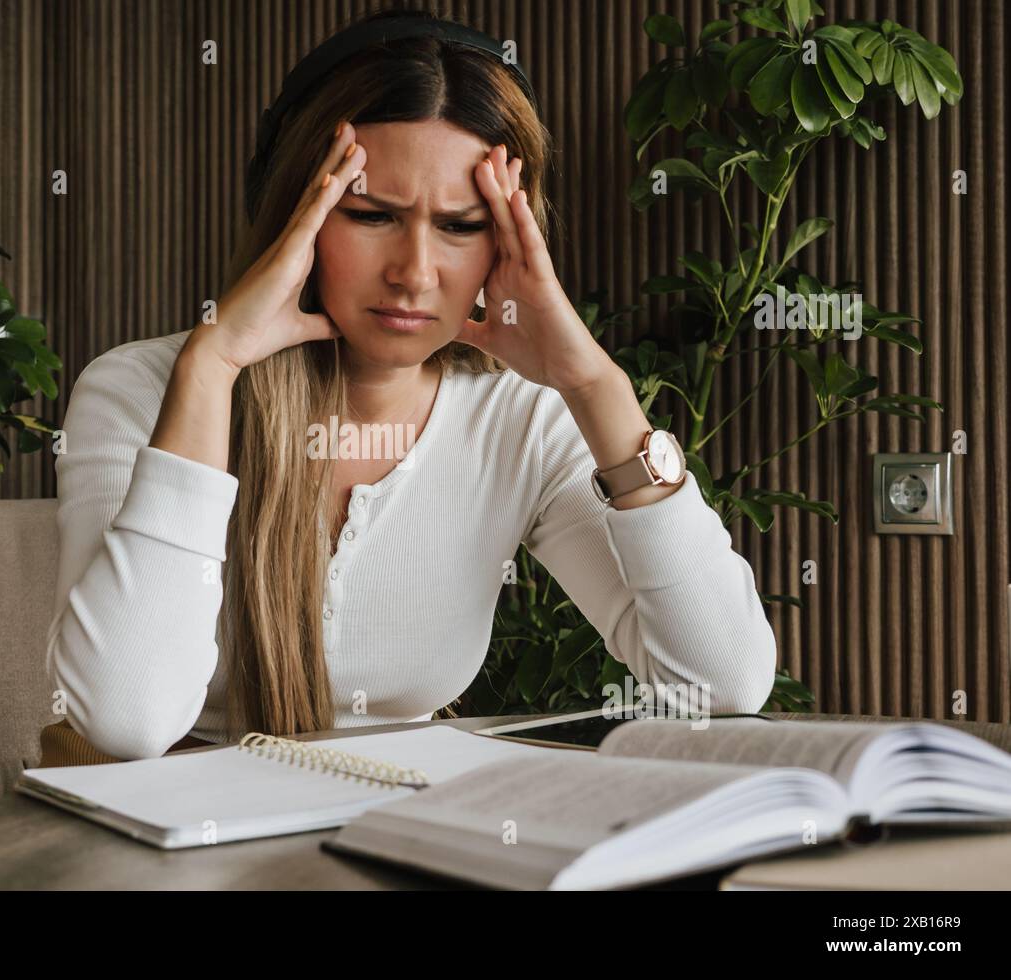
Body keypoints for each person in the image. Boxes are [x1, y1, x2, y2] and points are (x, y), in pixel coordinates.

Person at [41, 9, 777, 764]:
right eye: (371, 215)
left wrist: (594, 383)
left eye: (459, 226)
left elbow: (721, 683)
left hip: (397, 834)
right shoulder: (139, 392)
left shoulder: (519, 421)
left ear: (507, 241)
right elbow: (124, 722)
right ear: (296, 213)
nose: (415, 274)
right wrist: (213, 367)